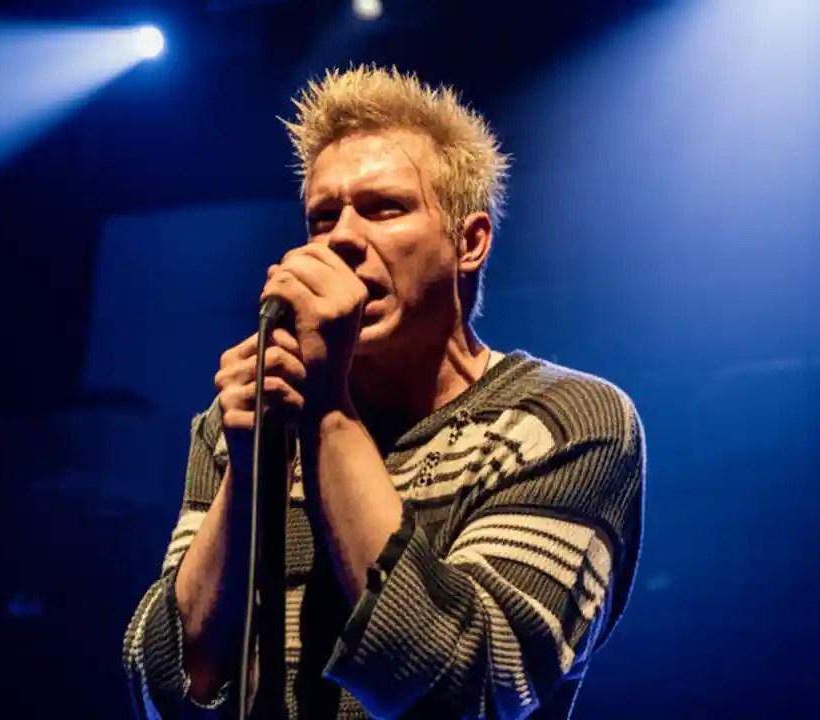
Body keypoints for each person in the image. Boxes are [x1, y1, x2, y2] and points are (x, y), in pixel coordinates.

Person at [123, 64, 645, 719]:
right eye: (323, 217)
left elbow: (468, 685)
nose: (341, 238)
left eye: (383, 208)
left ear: (469, 242)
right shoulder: (242, 420)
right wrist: (249, 473)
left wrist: (327, 420)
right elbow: (164, 685)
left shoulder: (561, 421)